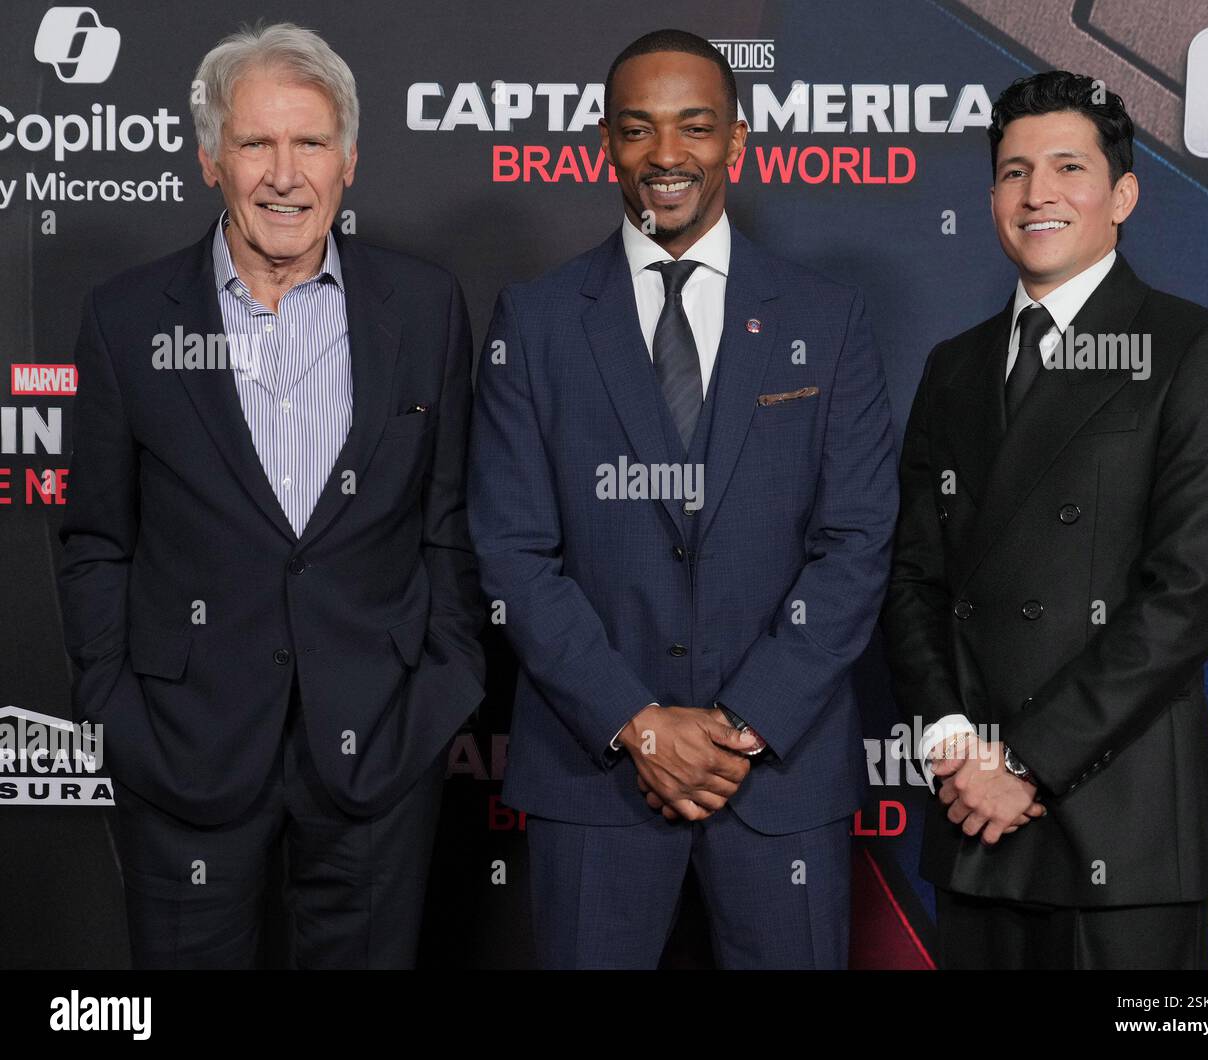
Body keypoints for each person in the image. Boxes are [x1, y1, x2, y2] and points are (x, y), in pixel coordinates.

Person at [57, 22, 484, 968]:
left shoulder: (422, 309)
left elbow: (448, 525)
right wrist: (117, 707)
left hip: (378, 750)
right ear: (211, 158)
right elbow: (96, 540)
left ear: (351, 160)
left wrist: (441, 688)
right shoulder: (129, 320)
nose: (283, 174)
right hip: (184, 754)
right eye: (256, 143)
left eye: (311, 143)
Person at [468, 28, 897, 969]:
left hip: (780, 774)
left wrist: (741, 726)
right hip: (597, 776)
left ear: (737, 143)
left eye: (695, 127)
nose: (667, 155)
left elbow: (858, 539)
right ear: (605, 145)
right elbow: (511, 551)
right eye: (638, 130)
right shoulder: (535, 323)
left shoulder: (827, 321)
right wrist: (638, 723)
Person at [884, 70, 1208, 969]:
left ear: (1122, 193)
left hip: (1123, 834)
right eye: (1014, 173)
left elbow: (1187, 598)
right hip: (974, 827)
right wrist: (954, 745)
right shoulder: (954, 366)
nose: (1038, 194)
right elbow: (912, 577)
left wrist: (1024, 765)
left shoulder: (1198, 348)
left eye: (1067, 167)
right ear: (990, 200)